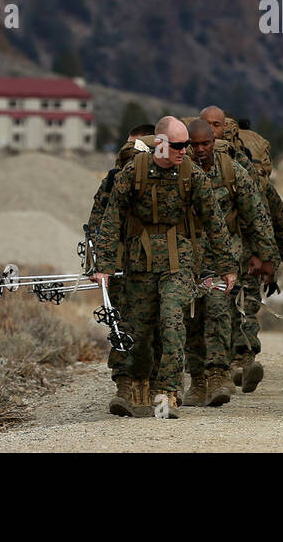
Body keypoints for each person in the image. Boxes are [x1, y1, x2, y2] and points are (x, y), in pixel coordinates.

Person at [91, 116, 237, 418]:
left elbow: (214, 222)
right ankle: (133, 387)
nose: (185, 151)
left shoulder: (191, 175)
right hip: (140, 261)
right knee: (138, 329)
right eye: (179, 145)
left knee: (172, 322)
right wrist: (103, 265)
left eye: (187, 145)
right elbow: (112, 219)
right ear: (160, 143)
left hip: (178, 261)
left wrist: (227, 266)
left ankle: (167, 394)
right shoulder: (134, 173)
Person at [183, 119, 278, 405]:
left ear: (214, 142)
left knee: (219, 314)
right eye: (194, 145)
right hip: (187, 258)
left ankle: (217, 375)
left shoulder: (232, 172)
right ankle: (197, 380)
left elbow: (257, 216)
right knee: (191, 320)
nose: (200, 150)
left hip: (224, 256)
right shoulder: (179, 173)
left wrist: (267, 258)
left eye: (205, 143)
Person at [85, 123, 156, 416]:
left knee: (155, 326)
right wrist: (98, 264)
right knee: (120, 323)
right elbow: (97, 223)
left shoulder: (164, 181)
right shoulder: (113, 180)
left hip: (153, 265)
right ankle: (125, 386)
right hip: (120, 265)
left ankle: (150, 384)